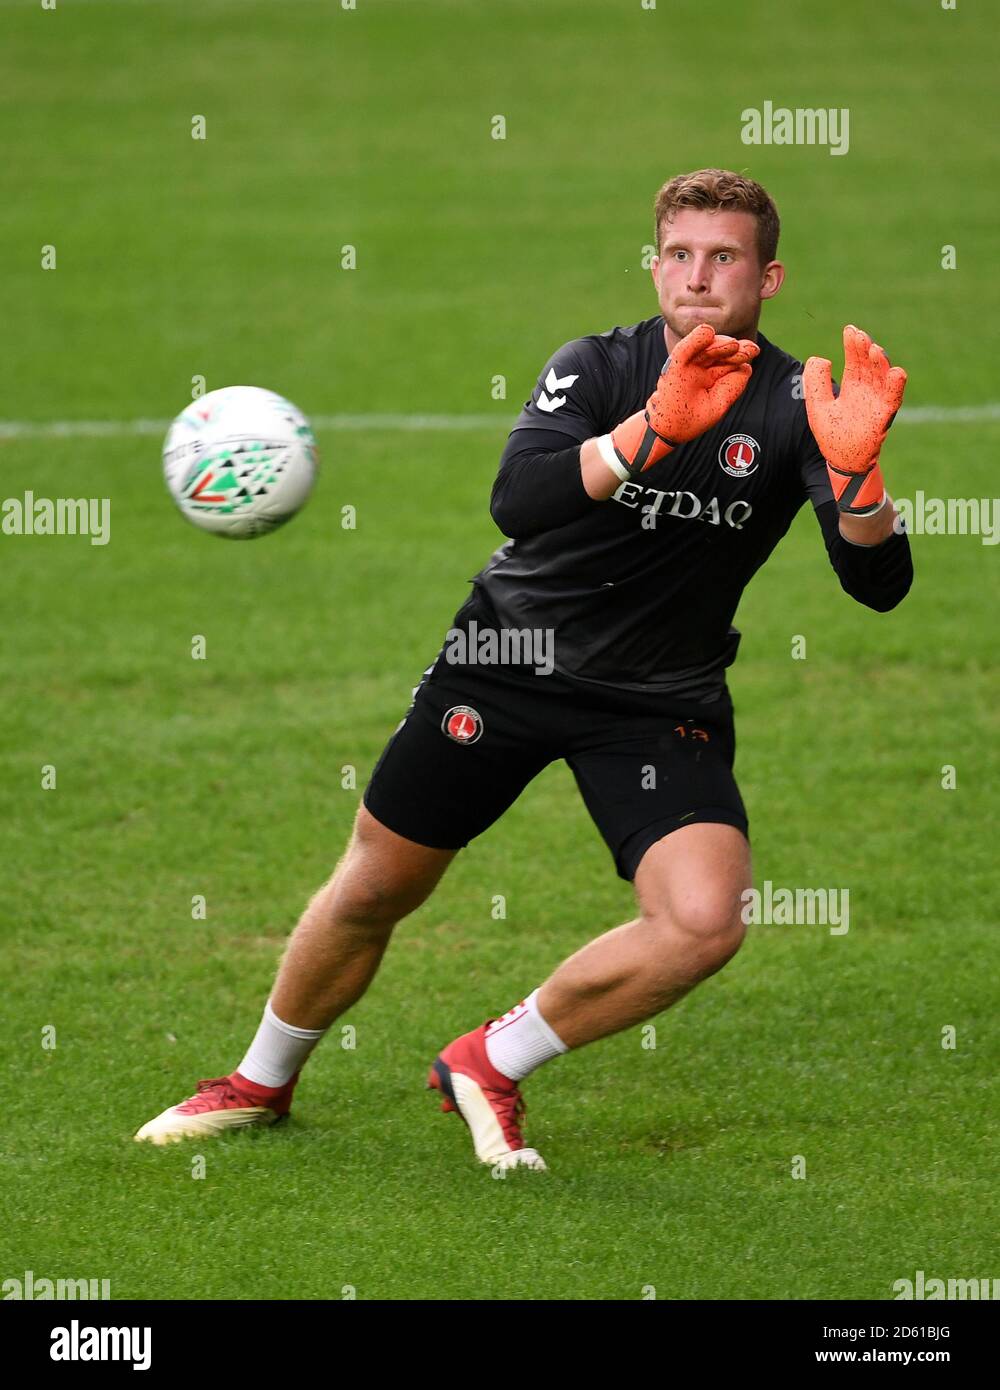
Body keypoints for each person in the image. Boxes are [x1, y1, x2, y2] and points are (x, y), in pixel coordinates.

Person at [136, 168, 912, 1170]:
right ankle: (258, 1081)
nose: (697, 277)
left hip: (655, 700)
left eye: (724, 258)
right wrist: (649, 432)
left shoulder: (797, 400)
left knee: (704, 920)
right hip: (505, 661)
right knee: (378, 885)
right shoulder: (598, 366)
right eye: (678, 254)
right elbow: (521, 498)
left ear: (769, 276)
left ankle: (489, 1059)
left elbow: (878, 582)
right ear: (653, 263)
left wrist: (858, 481)